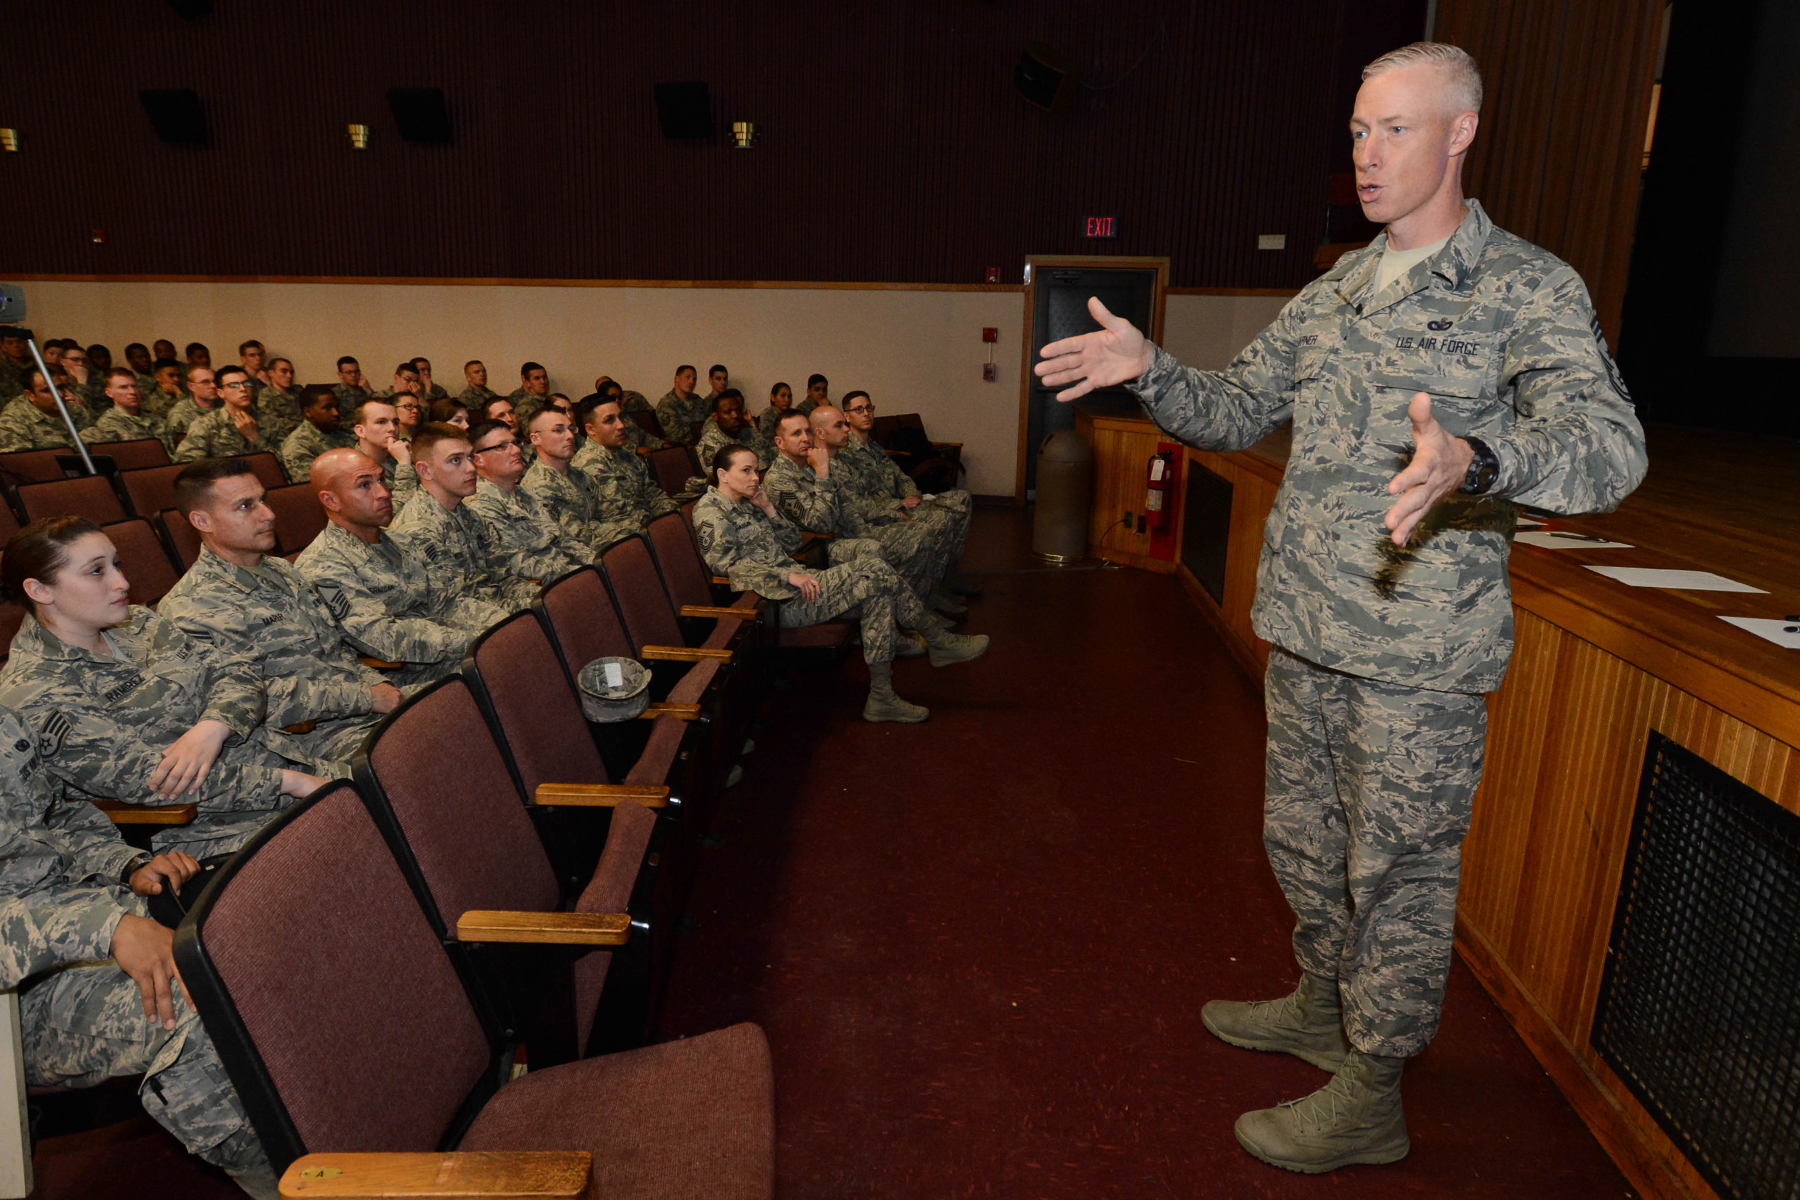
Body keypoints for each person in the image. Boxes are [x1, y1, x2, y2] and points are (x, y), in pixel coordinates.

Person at [1032, 42, 1648, 1174]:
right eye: (1359, 132)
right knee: (1305, 844)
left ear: (1460, 133)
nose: (1367, 156)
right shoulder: (1339, 289)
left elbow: (1612, 453)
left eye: (1395, 130)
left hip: (1420, 650)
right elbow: (1231, 411)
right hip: (1312, 632)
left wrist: (1480, 458)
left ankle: (1373, 1087)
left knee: (1400, 872)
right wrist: (1150, 365)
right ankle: (1325, 1004)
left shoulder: (1526, 287)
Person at [0, 703, 278, 1197]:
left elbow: (55, 818)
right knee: (205, 1014)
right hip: (17, 994)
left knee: (259, 928)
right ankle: (288, 1182)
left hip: (89, 907)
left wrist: (127, 865)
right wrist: (106, 928)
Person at [0, 517, 326, 858]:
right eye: (97, 571)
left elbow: (238, 670)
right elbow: (149, 779)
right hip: (212, 828)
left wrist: (212, 728)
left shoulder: (138, 623)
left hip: (289, 760)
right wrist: (289, 783)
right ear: (40, 590)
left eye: (116, 564)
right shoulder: (35, 689)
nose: (122, 582)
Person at [695, 445, 987, 722]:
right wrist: (785, 575)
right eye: (746, 471)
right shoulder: (711, 510)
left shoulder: (751, 503)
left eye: (756, 470)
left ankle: (882, 696)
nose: (755, 477)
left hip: (800, 587)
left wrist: (768, 507)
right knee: (874, 570)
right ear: (723, 474)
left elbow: (793, 541)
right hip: (773, 602)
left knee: (878, 593)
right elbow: (724, 565)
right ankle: (936, 637)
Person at [159, 458, 402, 777]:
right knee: (423, 751)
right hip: (308, 741)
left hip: (364, 707)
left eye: (263, 500)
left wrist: (378, 686)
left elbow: (336, 653)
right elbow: (250, 699)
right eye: (246, 506)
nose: (268, 514)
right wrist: (364, 697)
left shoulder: (283, 570)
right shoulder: (188, 610)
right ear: (203, 521)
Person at [295, 449, 507, 686]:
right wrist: (474, 641)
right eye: (364, 485)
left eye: (381, 480)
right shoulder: (324, 564)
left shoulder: (402, 542)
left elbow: (447, 601)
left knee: (518, 644)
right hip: (400, 675)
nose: (383, 493)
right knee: (501, 667)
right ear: (331, 500)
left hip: (449, 648)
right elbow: (381, 638)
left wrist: (502, 625)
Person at [807, 405, 963, 616]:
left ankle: (921, 602)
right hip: (848, 534)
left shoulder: (843, 460)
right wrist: (895, 513)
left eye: (845, 424)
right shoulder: (821, 467)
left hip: (866, 521)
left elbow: (872, 492)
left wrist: (898, 506)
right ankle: (910, 612)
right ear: (820, 433)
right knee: (921, 533)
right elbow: (852, 510)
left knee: (929, 526)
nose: (846, 429)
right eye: (840, 425)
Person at [837, 390, 980, 597]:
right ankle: (932, 591)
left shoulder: (874, 448)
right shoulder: (844, 452)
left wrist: (913, 495)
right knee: (941, 519)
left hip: (903, 503)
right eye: (859, 409)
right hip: (885, 513)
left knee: (961, 500)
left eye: (869, 408)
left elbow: (900, 476)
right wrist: (899, 504)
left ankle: (947, 574)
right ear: (847, 416)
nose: (866, 413)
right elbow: (858, 501)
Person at [390, 422, 539, 611]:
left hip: (497, 610)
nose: (470, 468)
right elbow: (455, 607)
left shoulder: (468, 514)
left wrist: (543, 601)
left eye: (469, 457)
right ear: (425, 471)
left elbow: (503, 576)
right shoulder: (417, 529)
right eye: (455, 460)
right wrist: (531, 613)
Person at [760, 410, 888, 573]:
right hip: (821, 547)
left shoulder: (812, 462)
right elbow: (821, 524)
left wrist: (866, 531)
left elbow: (847, 505)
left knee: (912, 537)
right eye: (796, 434)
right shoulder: (778, 480)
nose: (805, 438)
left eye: (808, 431)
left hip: (849, 532)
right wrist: (822, 474)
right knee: (873, 550)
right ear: (780, 442)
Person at [464, 418, 588, 583]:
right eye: (502, 446)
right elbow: (516, 563)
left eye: (514, 443)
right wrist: (581, 574)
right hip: (548, 585)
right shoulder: (479, 506)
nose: (515, 450)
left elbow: (563, 539)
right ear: (478, 460)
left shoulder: (525, 494)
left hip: (571, 572)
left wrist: (593, 562)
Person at [519, 407, 634, 554]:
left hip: (603, 543)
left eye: (571, 428)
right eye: (558, 430)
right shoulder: (539, 485)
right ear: (535, 439)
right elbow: (578, 537)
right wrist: (628, 539)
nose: (569, 436)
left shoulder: (578, 474)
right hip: (580, 558)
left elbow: (607, 514)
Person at [571, 396, 683, 535]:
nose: (621, 425)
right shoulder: (584, 467)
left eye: (620, 417)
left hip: (652, 531)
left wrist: (674, 516)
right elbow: (592, 525)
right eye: (609, 420)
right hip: (623, 541)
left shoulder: (627, 455)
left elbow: (652, 493)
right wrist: (655, 530)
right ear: (591, 429)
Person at [175, 366, 278, 460]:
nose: (243, 389)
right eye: (233, 385)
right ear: (220, 393)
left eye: (246, 383)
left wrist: (254, 437)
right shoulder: (206, 424)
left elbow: (284, 465)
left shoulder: (270, 421)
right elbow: (186, 463)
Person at [83, 366, 175, 454]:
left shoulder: (156, 419)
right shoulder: (108, 424)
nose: (132, 392)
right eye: (123, 387)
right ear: (109, 393)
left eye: (134, 386)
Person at [349, 397, 418, 505]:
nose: (392, 429)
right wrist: (404, 465)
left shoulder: (397, 455)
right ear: (361, 431)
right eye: (381, 422)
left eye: (395, 422)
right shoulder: (352, 470)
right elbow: (393, 516)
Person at [281, 384, 357, 483]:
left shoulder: (341, 434)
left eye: (336, 407)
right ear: (308, 412)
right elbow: (312, 485)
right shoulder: (297, 445)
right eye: (327, 408)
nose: (336, 413)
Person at [0, 367, 89, 452]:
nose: (60, 394)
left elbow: (95, 443)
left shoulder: (75, 409)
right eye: (47, 390)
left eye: (60, 387)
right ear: (30, 395)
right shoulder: (11, 421)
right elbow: (19, 462)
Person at [695, 388, 773, 470]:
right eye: (728, 412)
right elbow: (718, 476)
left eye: (738, 411)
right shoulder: (710, 441)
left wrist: (752, 425)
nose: (735, 415)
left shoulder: (745, 433)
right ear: (715, 416)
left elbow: (766, 457)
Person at [164, 365, 221, 445]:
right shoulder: (179, 414)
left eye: (215, 381)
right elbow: (172, 449)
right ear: (191, 386)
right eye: (205, 382)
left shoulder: (224, 405)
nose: (213, 386)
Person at [654, 364, 708, 444]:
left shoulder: (697, 400)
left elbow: (709, 422)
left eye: (694, 379)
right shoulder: (667, 403)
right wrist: (700, 431)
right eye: (687, 377)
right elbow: (674, 435)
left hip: (703, 443)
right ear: (677, 379)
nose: (691, 382)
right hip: (681, 447)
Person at [256, 356, 304, 444]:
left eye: (291, 372)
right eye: (284, 371)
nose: (289, 376)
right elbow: (273, 421)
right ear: (271, 373)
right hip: (286, 437)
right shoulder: (266, 395)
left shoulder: (298, 390)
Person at [509, 361, 553, 429]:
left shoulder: (551, 399)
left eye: (544, 377)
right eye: (537, 378)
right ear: (527, 383)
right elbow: (530, 430)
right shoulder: (524, 404)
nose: (543, 381)